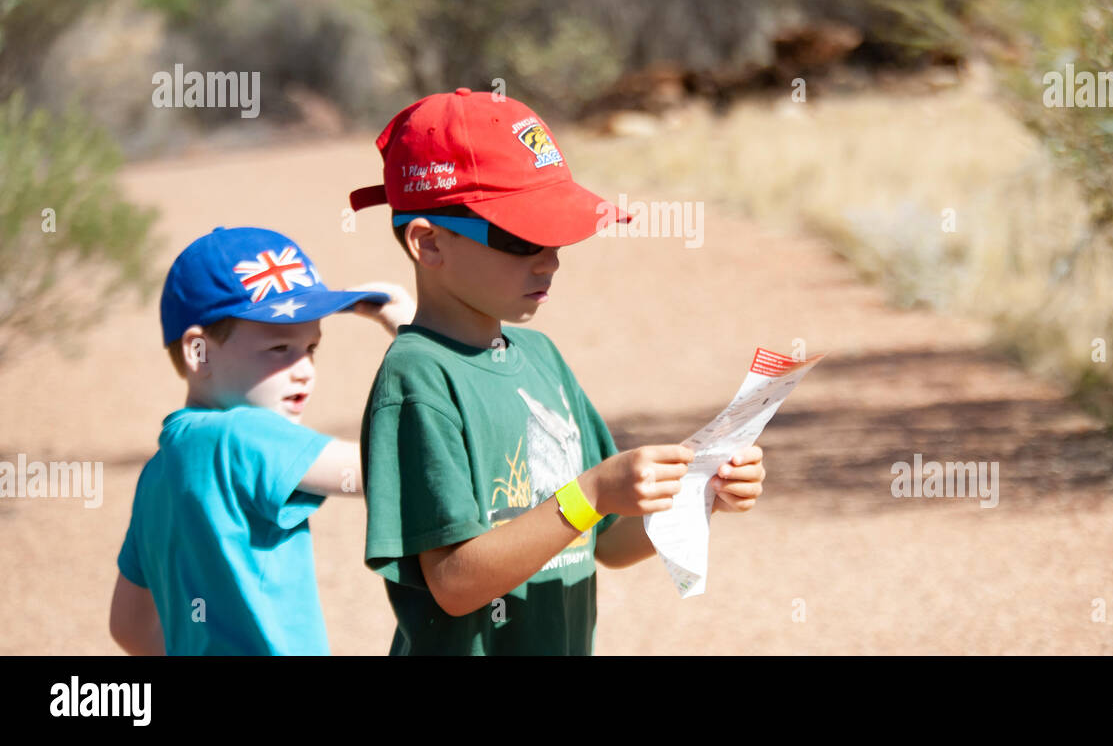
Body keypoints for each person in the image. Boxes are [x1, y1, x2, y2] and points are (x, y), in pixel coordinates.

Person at [349, 87, 767, 655]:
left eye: (556, 233)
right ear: (430, 244)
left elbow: (606, 544)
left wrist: (699, 493)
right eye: (520, 237)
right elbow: (453, 582)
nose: (550, 258)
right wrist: (592, 491)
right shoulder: (419, 379)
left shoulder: (541, 356)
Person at [108, 226, 413, 655]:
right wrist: (416, 336)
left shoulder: (158, 471)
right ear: (199, 352)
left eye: (311, 348)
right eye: (279, 348)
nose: (305, 369)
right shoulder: (242, 435)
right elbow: (391, 469)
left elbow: (128, 626)